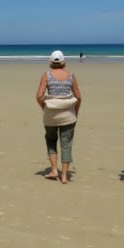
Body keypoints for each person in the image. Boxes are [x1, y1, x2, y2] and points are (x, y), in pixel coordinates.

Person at [36, 50, 82, 184]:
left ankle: (55, 170)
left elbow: (39, 96)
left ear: (51, 61)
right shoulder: (71, 76)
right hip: (68, 115)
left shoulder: (47, 75)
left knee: (51, 141)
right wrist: (76, 112)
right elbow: (79, 97)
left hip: (51, 115)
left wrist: (44, 107)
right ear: (63, 61)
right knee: (66, 144)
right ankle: (64, 176)